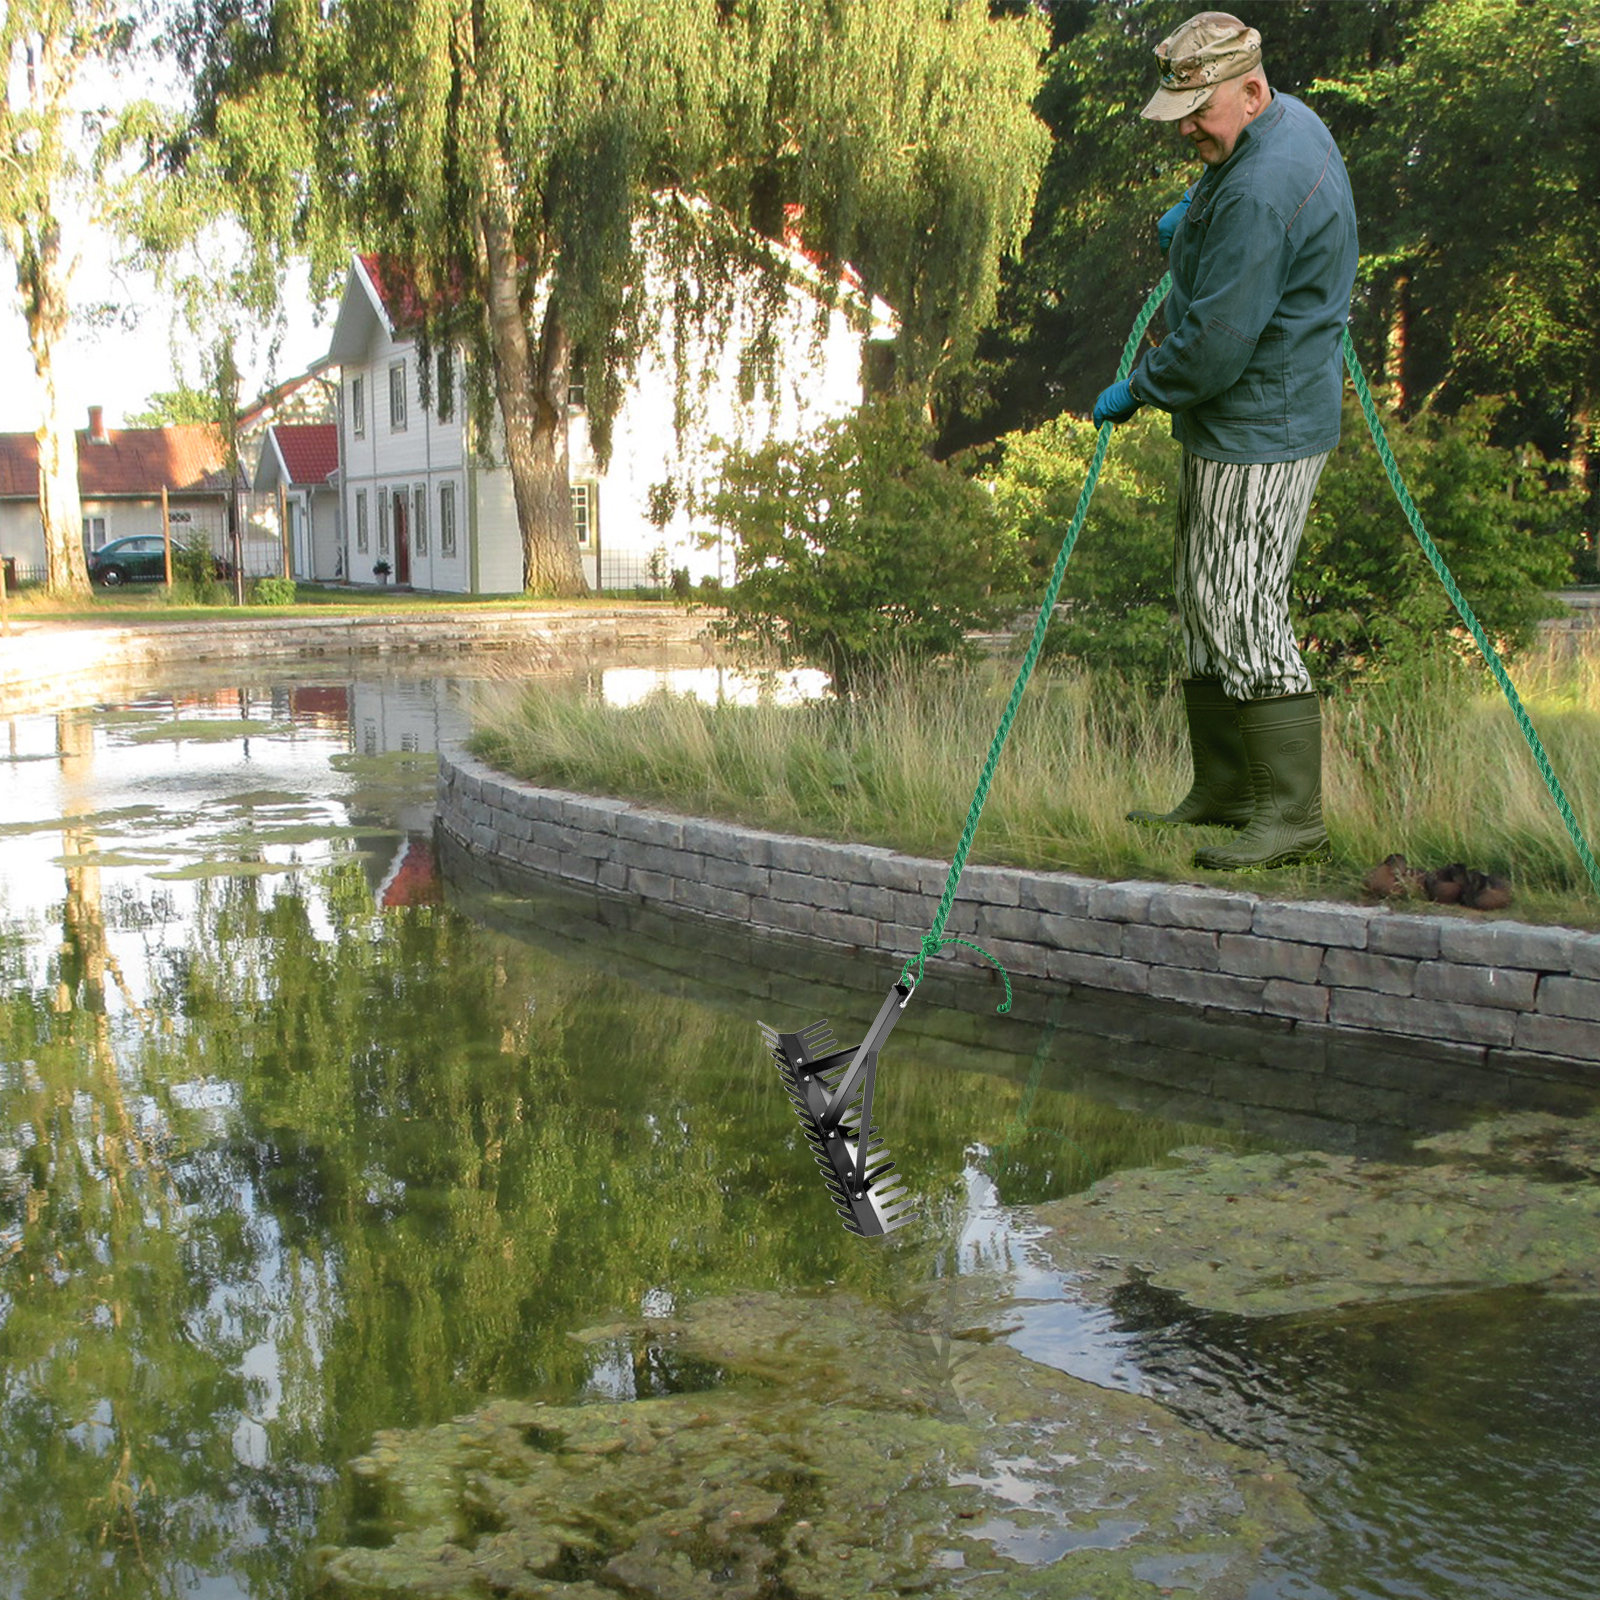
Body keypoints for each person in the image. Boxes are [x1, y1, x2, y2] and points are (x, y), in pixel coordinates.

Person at [1092, 11, 1359, 871]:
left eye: (1199, 112)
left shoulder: (1257, 189)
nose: (1188, 132)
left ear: (1248, 89)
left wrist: (1140, 388)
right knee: (1204, 601)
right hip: (1239, 423)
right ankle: (1224, 791)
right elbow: (1233, 194)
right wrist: (1192, 215)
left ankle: (1291, 818)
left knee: (1244, 608)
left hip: (1262, 429)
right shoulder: (1280, 125)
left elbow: (1212, 347)